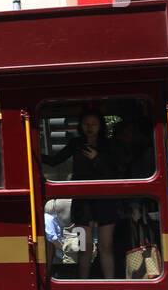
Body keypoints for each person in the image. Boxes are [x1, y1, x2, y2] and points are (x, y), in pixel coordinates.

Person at [42, 109, 118, 278]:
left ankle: (110, 285)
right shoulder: (76, 143)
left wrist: (97, 158)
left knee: (106, 246)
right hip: (82, 203)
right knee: (84, 247)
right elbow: (55, 161)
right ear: (80, 126)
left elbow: (115, 172)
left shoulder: (109, 145)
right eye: (86, 124)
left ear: (101, 126)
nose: (89, 128)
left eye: (94, 124)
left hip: (105, 200)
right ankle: (84, 284)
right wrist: (31, 154)